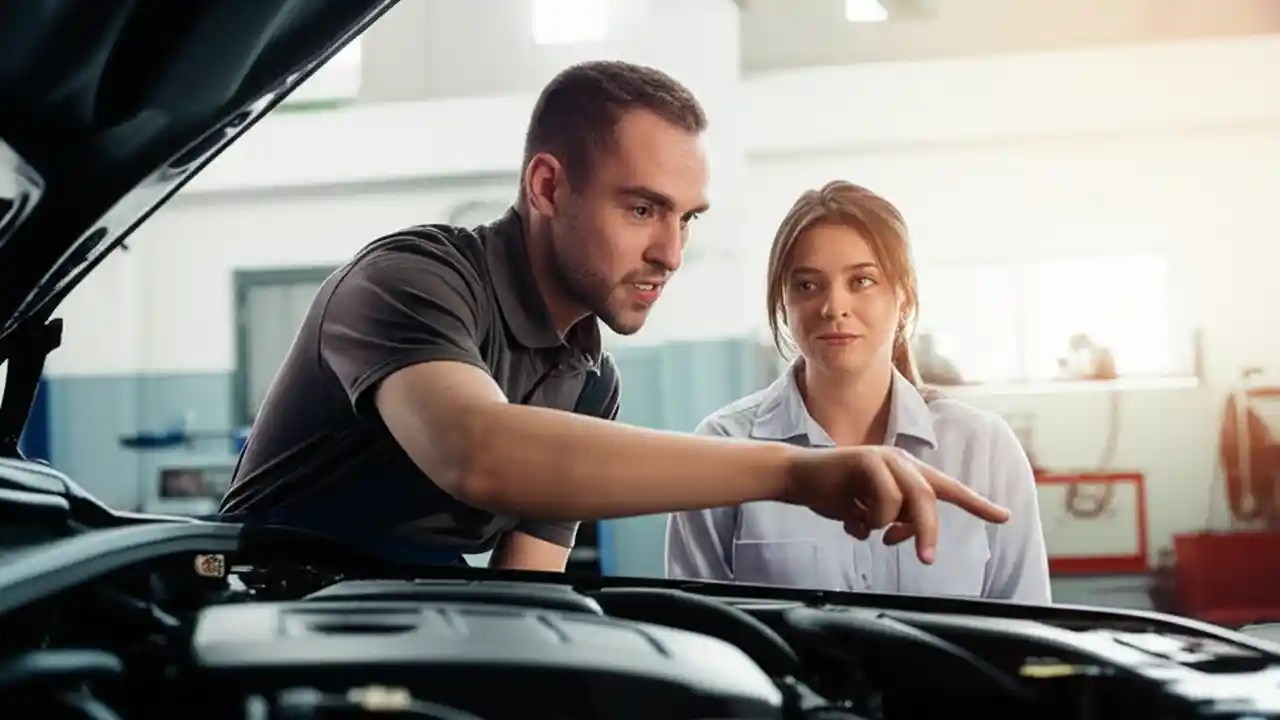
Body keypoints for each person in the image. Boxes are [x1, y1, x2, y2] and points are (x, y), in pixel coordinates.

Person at [219, 61, 1012, 574]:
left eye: (687, 218)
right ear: (548, 186)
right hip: (253, 626)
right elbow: (480, 454)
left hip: (406, 642)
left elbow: (521, 593)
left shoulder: (590, 383)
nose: (671, 252)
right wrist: (797, 471)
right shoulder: (410, 280)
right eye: (642, 209)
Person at [665, 180, 1051, 602]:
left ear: (903, 297)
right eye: (807, 285)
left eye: (862, 281)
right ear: (783, 303)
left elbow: (1026, 626)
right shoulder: (721, 448)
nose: (834, 307)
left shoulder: (984, 449)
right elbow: (701, 635)